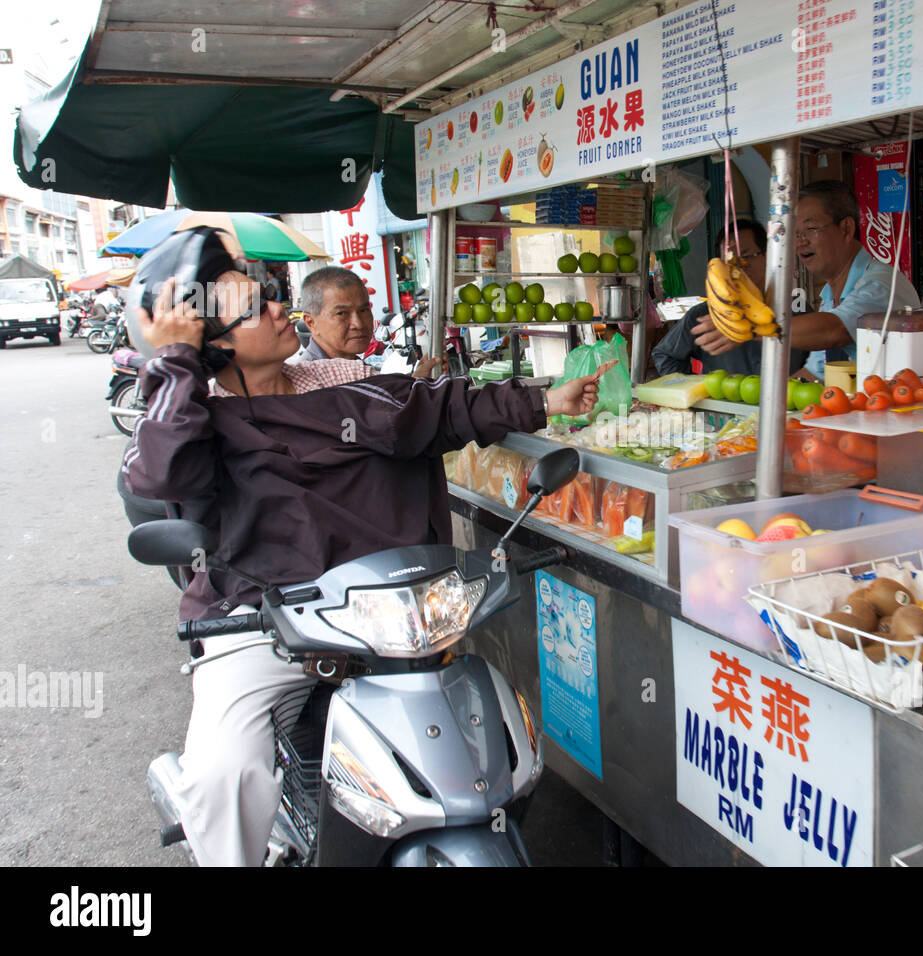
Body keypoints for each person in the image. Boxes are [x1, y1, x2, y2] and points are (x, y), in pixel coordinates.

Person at [120, 227, 604, 866]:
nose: (278, 308)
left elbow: (438, 408)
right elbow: (162, 475)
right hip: (267, 624)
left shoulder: (340, 381)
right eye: (256, 307)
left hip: (392, 617)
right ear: (215, 345)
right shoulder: (197, 417)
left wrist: (543, 400)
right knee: (224, 775)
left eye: (273, 294)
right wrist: (174, 360)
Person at [693, 180, 921, 380]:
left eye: (810, 229)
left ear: (846, 228)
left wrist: (751, 328)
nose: (800, 242)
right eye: (795, 234)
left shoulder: (880, 285)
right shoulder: (830, 296)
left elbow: (835, 330)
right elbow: (815, 373)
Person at [652, 218, 808, 377]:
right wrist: (696, 390)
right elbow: (664, 355)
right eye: (729, 262)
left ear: (767, 256)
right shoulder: (703, 315)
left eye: (746, 256)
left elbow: (821, 355)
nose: (738, 267)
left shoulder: (795, 306)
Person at [294, 264, 440, 376]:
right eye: (342, 314)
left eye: (363, 310)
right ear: (311, 323)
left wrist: (418, 382)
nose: (358, 324)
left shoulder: (356, 367)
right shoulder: (307, 381)